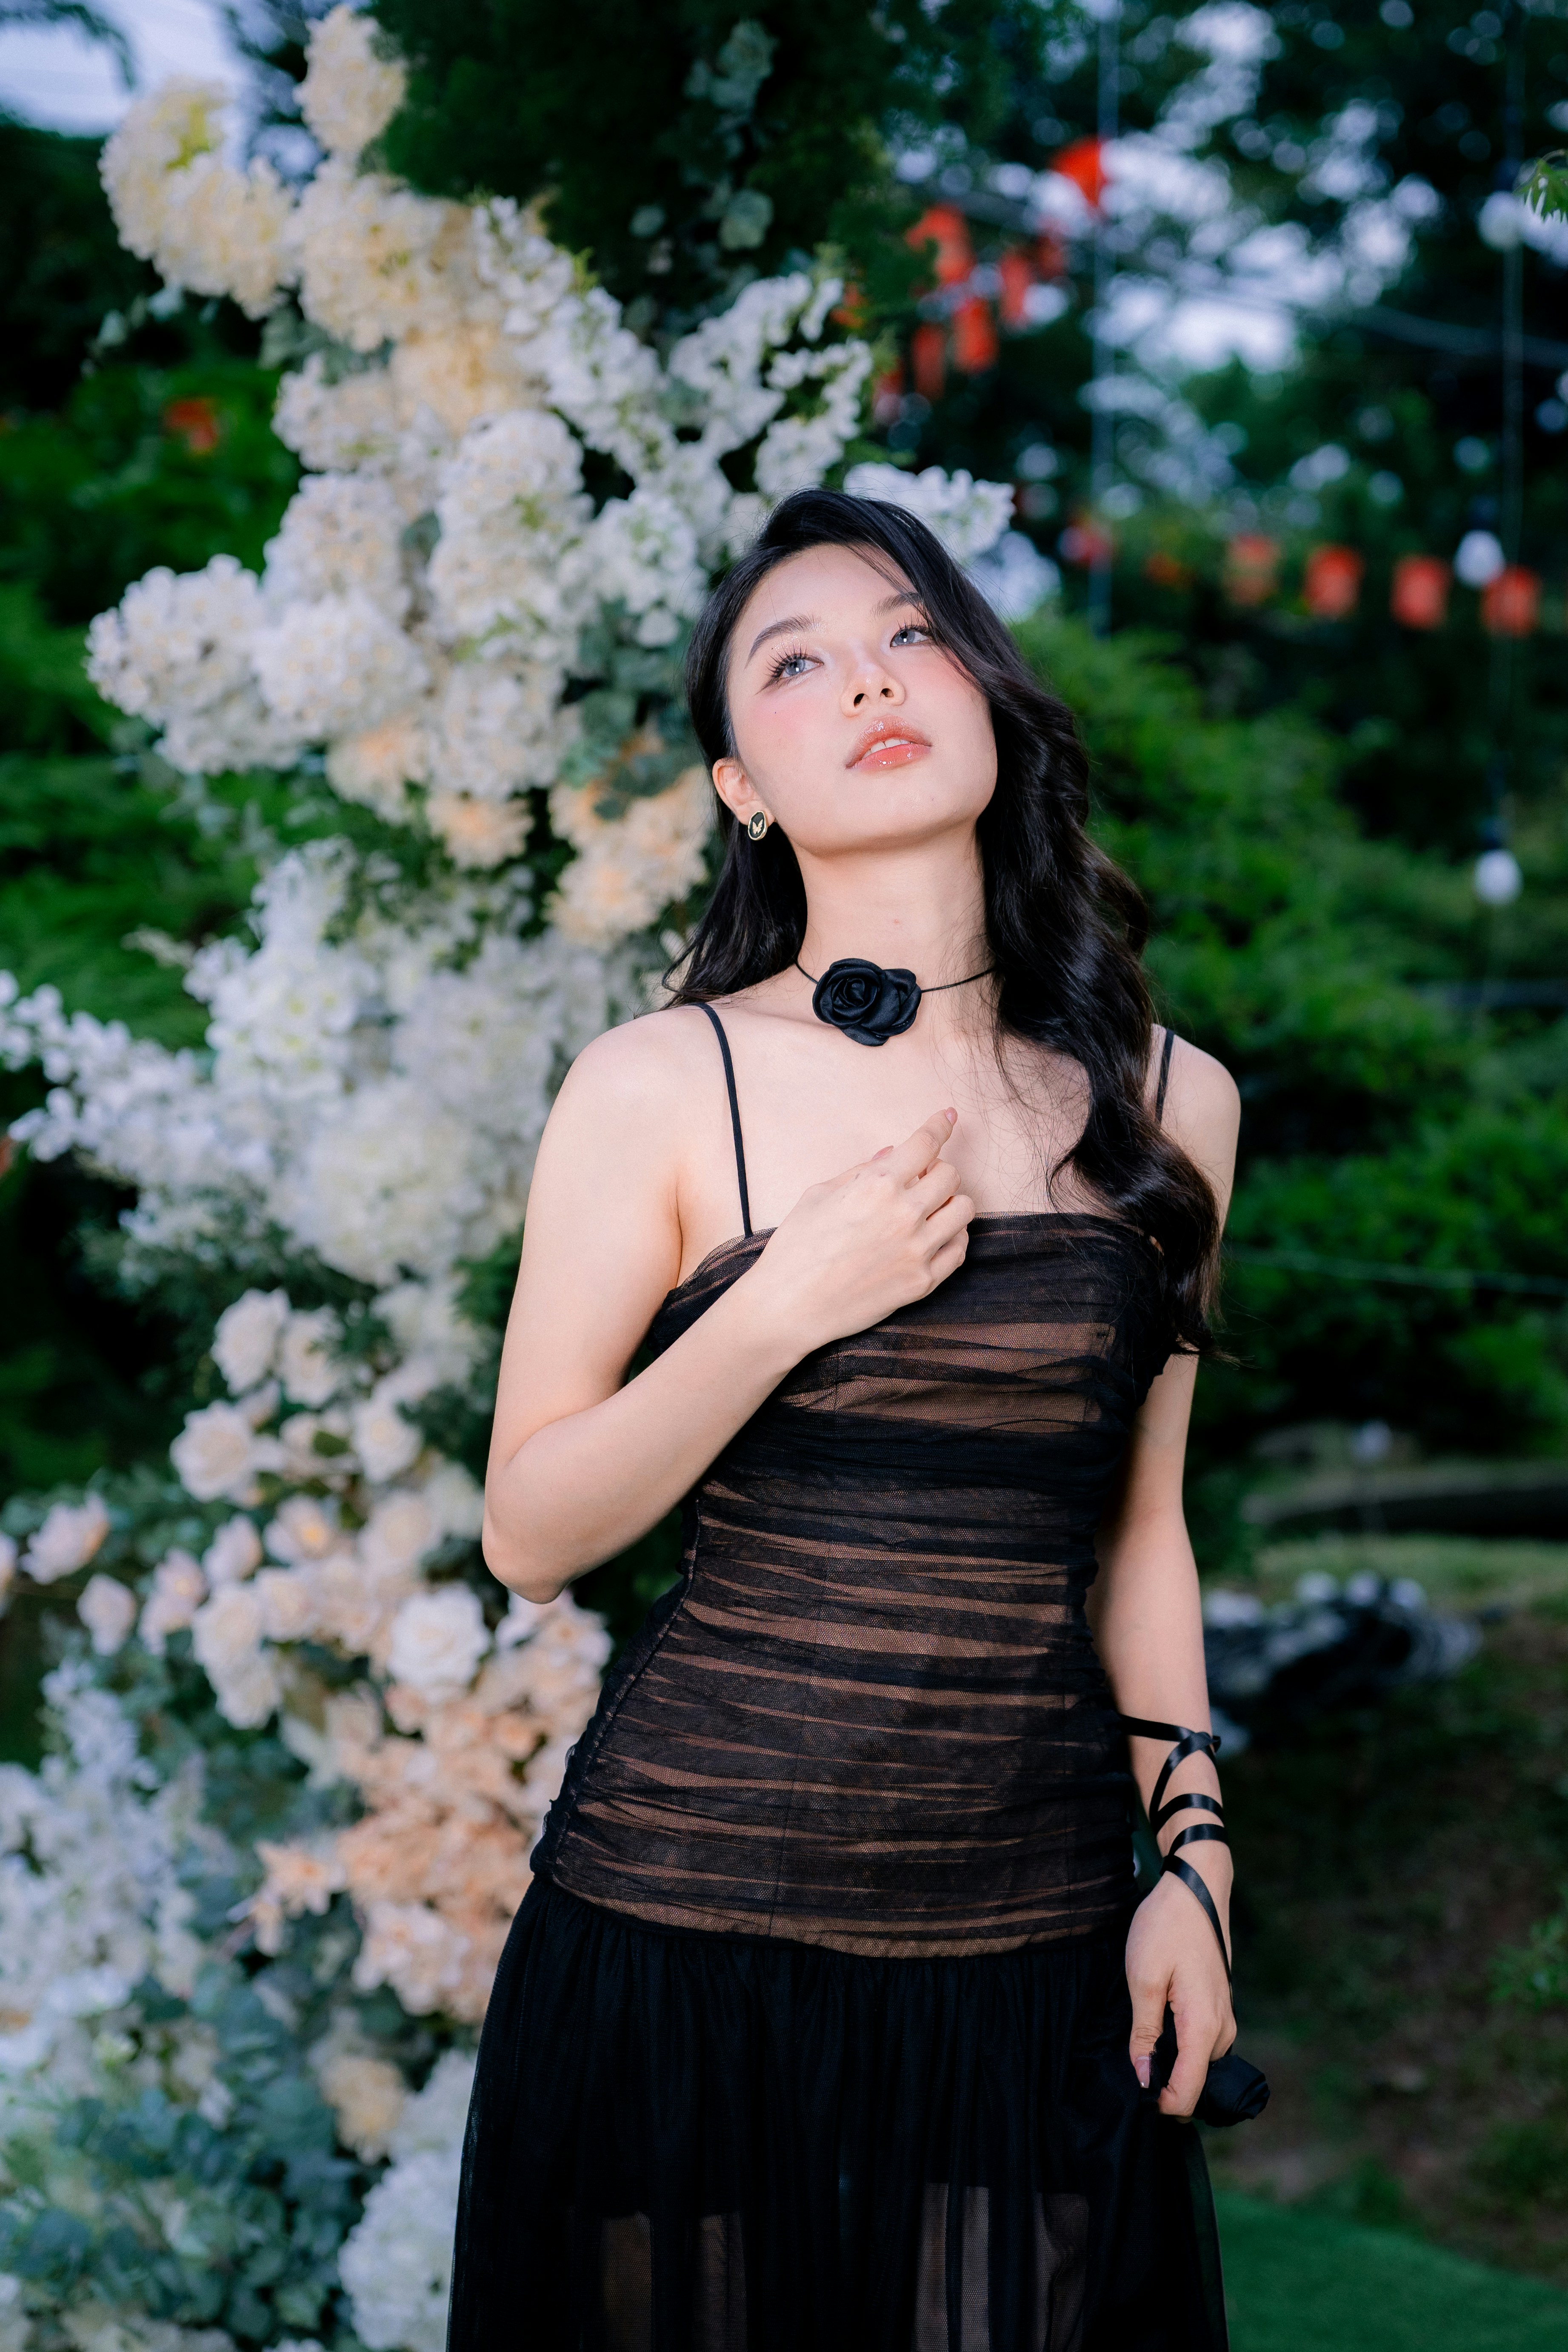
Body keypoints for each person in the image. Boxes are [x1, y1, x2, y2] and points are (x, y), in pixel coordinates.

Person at [452, 488, 1243, 2352]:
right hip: (684, 1925)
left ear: (982, 690)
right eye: (795, 664)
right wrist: (780, 1308)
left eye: (906, 632)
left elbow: (1141, 1530)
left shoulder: (1167, 1095)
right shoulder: (663, 1079)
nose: (867, 679)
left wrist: (1192, 1869)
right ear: (742, 783)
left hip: (1030, 1938)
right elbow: (532, 1528)